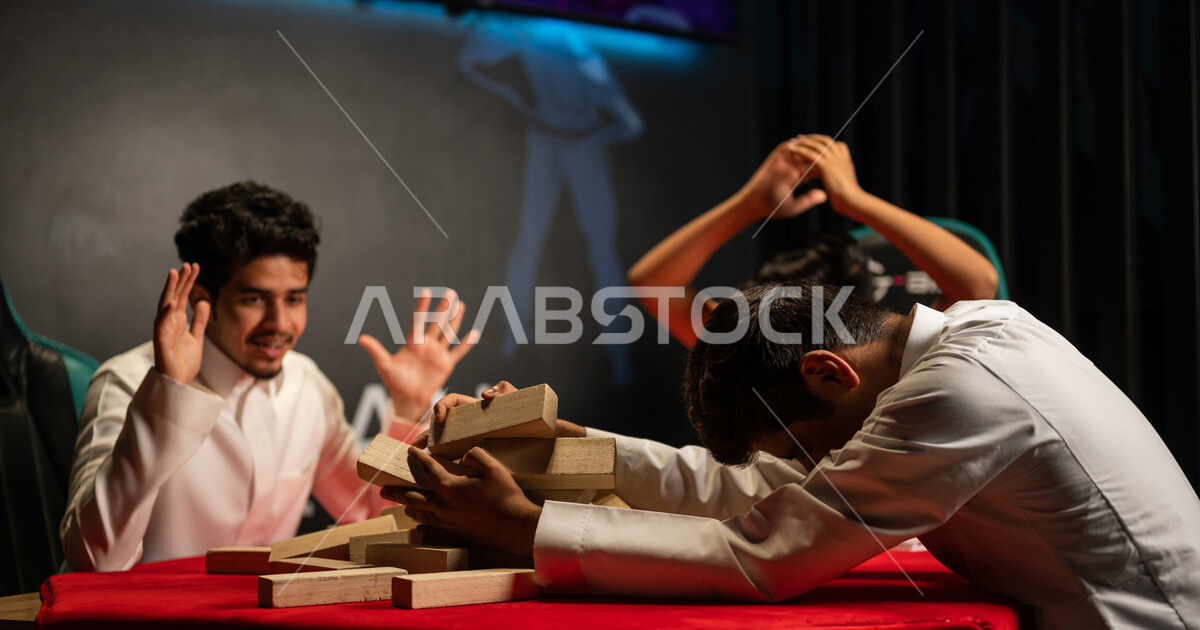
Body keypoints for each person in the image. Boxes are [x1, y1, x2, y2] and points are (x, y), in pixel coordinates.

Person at [384, 283, 1200, 629]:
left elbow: (766, 549)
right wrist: (569, 447)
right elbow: (748, 487)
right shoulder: (974, 332)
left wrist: (527, 527)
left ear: (824, 371)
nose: (824, 464)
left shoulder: (961, 390)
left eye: (817, 445)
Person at [60, 182, 478, 572]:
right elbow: (94, 562)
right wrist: (167, 397)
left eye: (294, 299)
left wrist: (406, 407)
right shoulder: (126, 381)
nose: (280, 323)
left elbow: (373, 515)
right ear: (201, 300)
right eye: (255, 299)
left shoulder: (307, 384)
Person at [627, 133, 999, 348]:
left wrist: (854, 200)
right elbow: (654, 283)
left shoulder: (897, 356)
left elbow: (978, 283)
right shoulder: (751, 344)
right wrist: (750, 203)